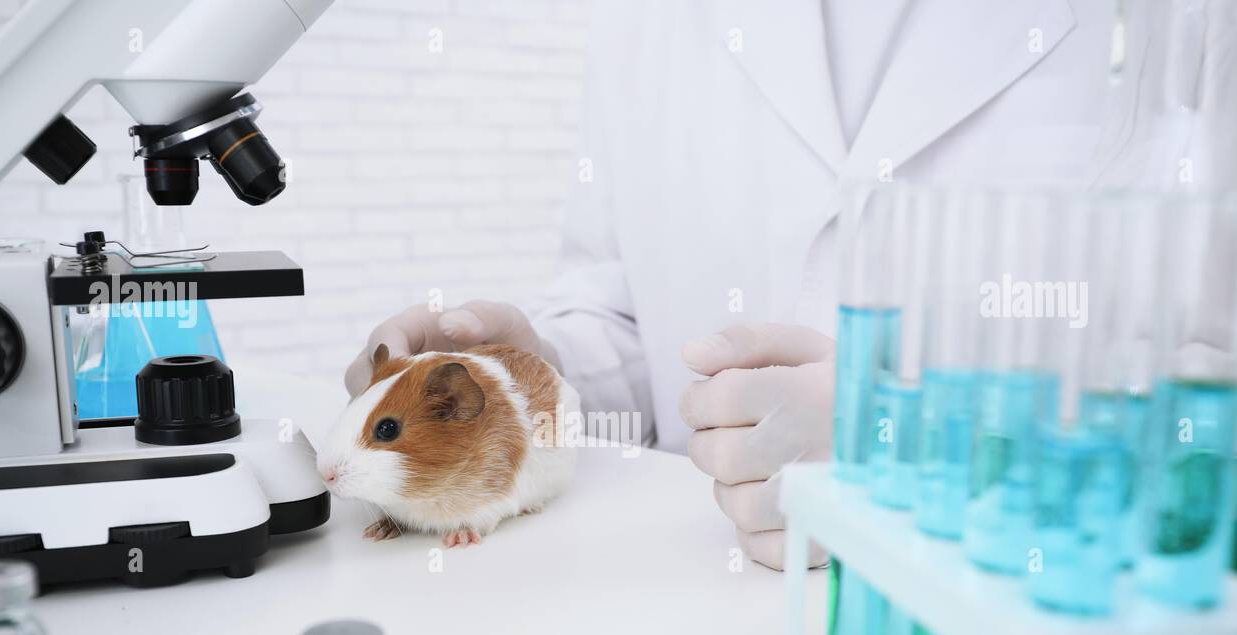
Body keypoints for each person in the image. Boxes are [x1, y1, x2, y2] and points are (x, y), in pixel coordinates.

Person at [347, 0, 1121, 569]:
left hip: (986, 618)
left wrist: (930, 446)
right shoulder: (646, 21)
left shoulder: (1168, 26)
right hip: (692, 604)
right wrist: (536, 380)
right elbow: (623, 311)